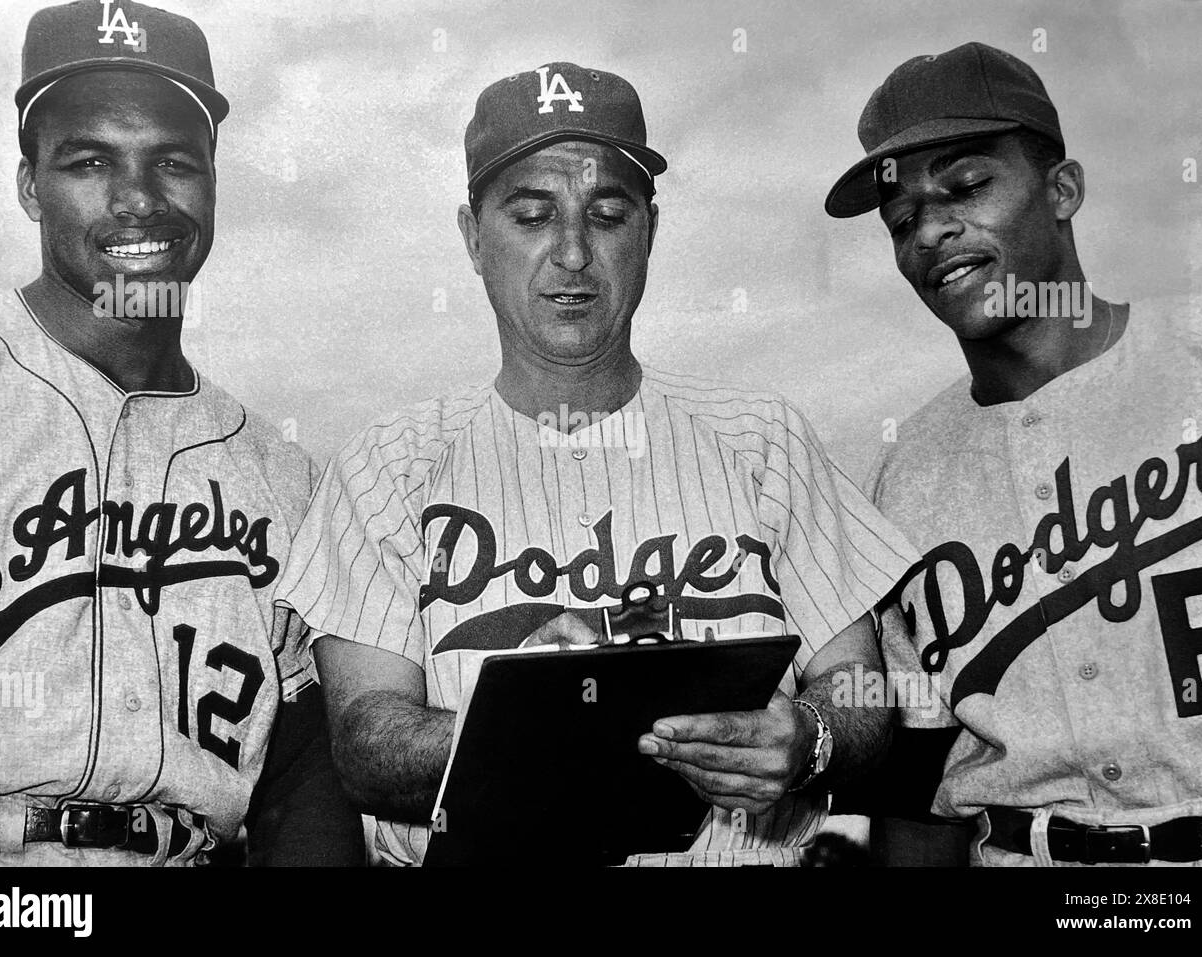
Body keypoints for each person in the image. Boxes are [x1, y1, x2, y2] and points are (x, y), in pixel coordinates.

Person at [276, 61, 920, 866]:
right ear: (474, 237)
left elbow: (860, 693)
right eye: (533, 214)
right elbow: (369, 746)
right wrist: (538, 720)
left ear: (649, 230)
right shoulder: (386, 467)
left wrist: (812, 735)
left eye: (607, 214)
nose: (573, 252)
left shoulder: (765, 440)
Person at [0, 0, 362, 866]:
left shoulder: (281, 475)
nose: (138, 200)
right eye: (90, 161)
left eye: (173, 162)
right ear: (29, 185)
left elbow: (297, 780)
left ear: (212, 181)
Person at [825, 41, 1202, 866]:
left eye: (967, 185)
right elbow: (918, 790)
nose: (932, 229)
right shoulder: (903, 478)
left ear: (1062, 189)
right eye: (902, 219)